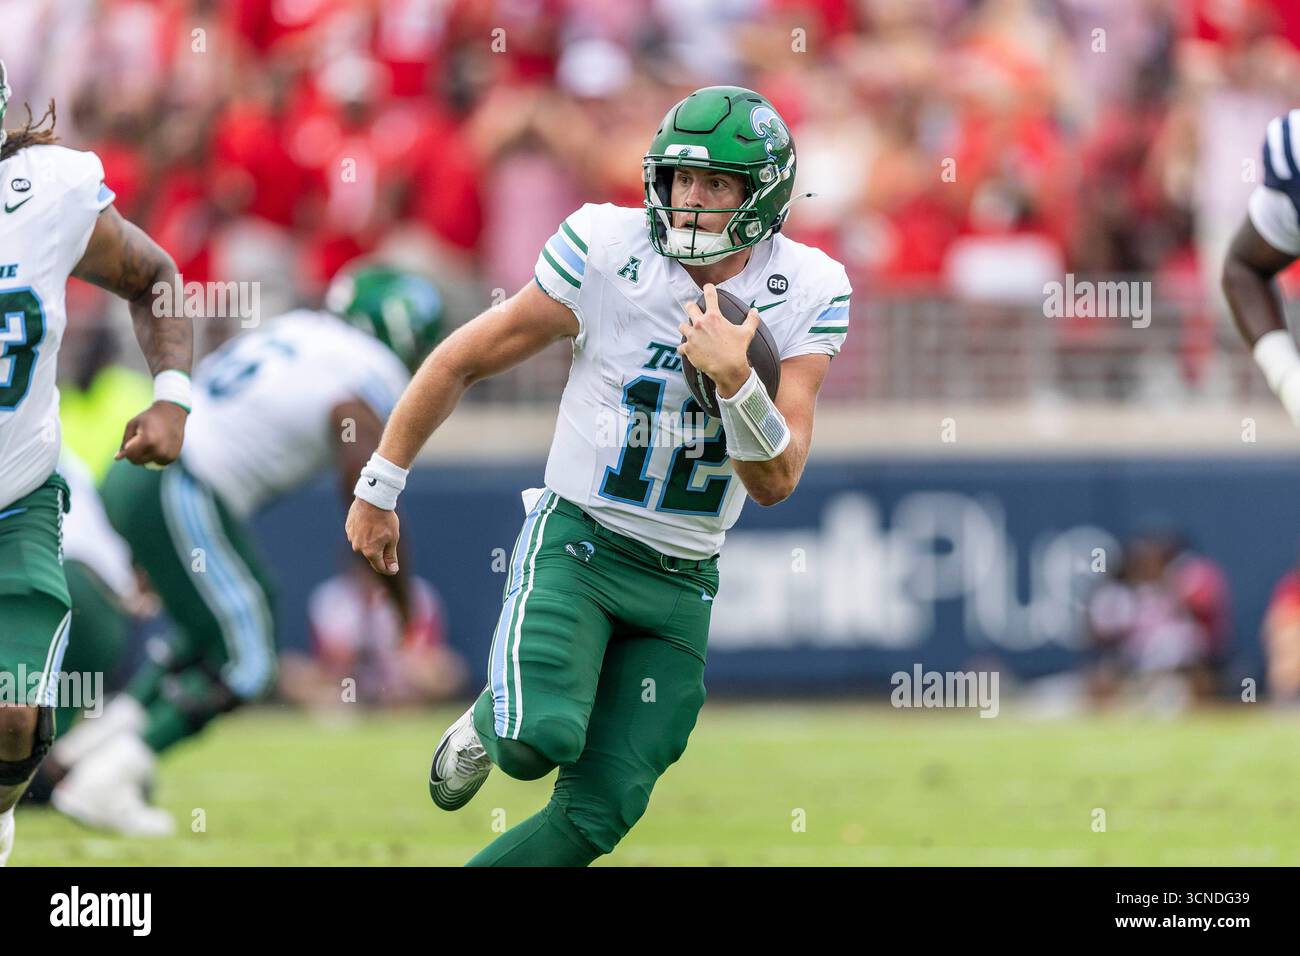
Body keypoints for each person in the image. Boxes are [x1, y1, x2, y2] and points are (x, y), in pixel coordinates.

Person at [346, 86, 852, 865]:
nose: (690, 200)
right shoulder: (609, 249)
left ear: (763, 195)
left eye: (716, 184)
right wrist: (380, 485)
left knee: (597, 816)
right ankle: (490, 721)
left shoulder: (808, 288)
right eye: (682, 179)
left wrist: (738, 383)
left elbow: (776, 479)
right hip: (581, 544)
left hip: (685, 580)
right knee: (533, 740)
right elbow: (465, 356)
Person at [45, 264, 443, 837]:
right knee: (249, 656)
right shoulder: (369, 366)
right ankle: (109, 778)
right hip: (182, 480)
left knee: (208, 635)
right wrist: (401, 600)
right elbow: (359, 462)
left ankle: (84, 757)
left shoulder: (302, 330)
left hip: (148, 474)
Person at [0, 60, 192, 866]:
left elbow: (152, 276)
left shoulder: (48, 190)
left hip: (15, 498)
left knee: (13, 717)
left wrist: (172, 395)